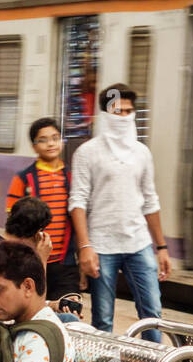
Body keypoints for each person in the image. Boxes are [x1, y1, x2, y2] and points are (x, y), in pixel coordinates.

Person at [68, 83, 170, 343]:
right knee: (103, 318)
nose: (124, 117)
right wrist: (85, 247)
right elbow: (77, 201)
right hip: (102, 247)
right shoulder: (87, 153)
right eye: (117, 111)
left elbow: (150, 201)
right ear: (105, 115)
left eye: (128, 111)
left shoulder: (142, 153)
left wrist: (162, 247)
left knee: (152, 314)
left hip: (139, 243)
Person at [0, 197, 78, 330]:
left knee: (67, 318)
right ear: (37, 234)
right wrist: (42, 259)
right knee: (70, 321)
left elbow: (22, 300)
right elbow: (35, 307)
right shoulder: (7, 257)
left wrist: (53, 305)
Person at [4, 118, 77, 299]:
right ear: (34, 146)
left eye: (55, 138)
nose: (50, 143)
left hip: (65, 263)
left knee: (68, 311)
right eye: (43, 140)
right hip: (32, 261)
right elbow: (12, 223)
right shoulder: (23, 179)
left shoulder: (71, 177)